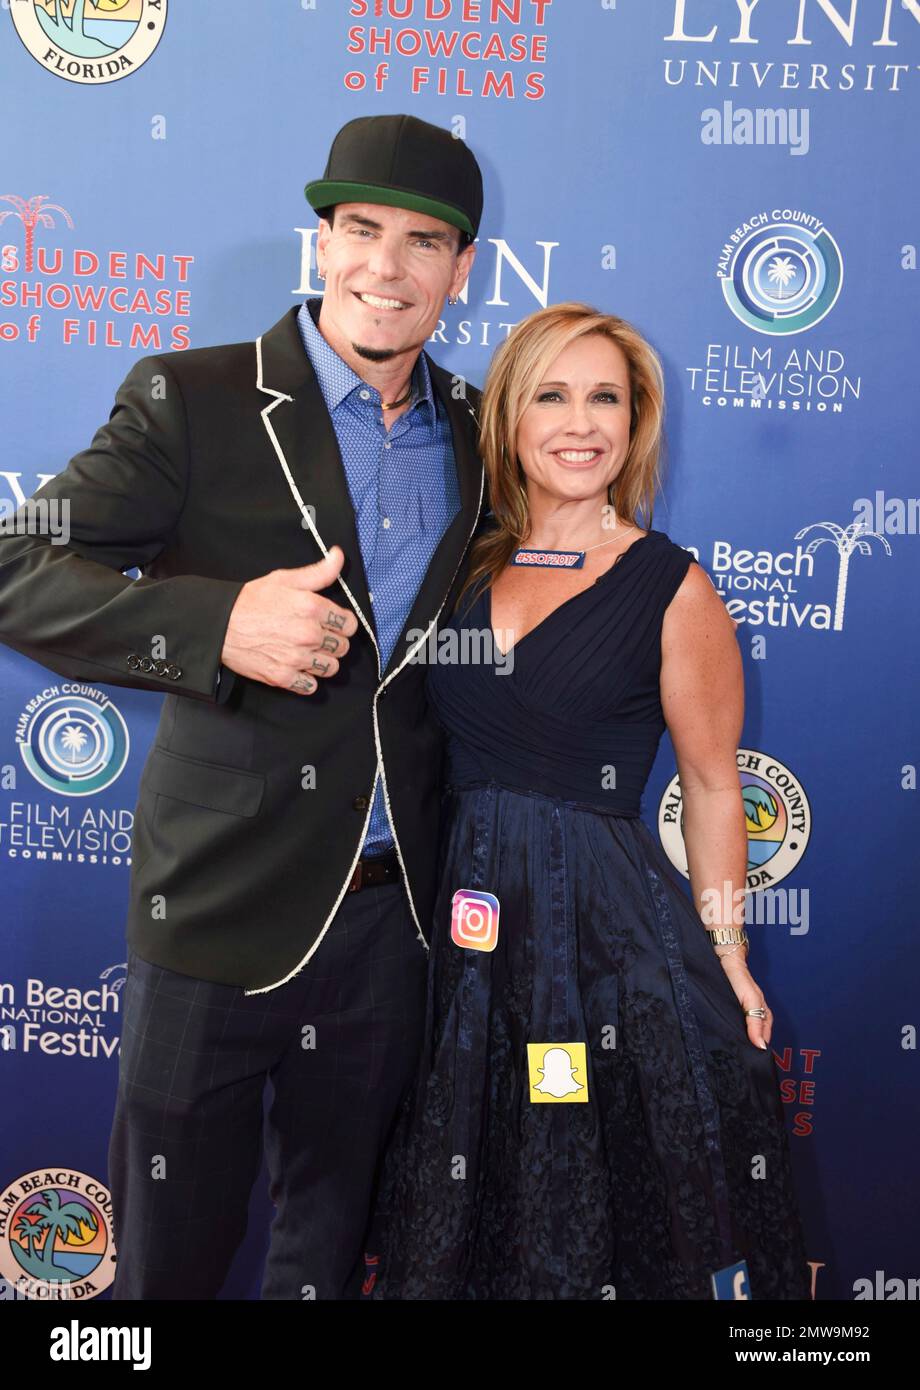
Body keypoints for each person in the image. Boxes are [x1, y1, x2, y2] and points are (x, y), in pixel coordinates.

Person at [0, 114, 487, 1299]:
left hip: (395, 923)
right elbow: (18, 566)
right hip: (214, 900)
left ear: (460, 270)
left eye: (422, 242)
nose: (387, 266)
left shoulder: (482, 429)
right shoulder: (193, 396)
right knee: (166, 1267)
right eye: (361, 230)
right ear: (320, 241)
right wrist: (217, 625)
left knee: (326, 1253)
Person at [372, 302, 812, 1300]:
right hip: (466, 936)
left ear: (636, 420)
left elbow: (709, 784)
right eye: (552, 396)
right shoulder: (462, 565)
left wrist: (729, 954)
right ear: (509, 421)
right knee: (470, 1180)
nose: (581, 423)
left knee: (606, 1194)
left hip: (608, 937)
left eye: (605, 397)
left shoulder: (671, 586)